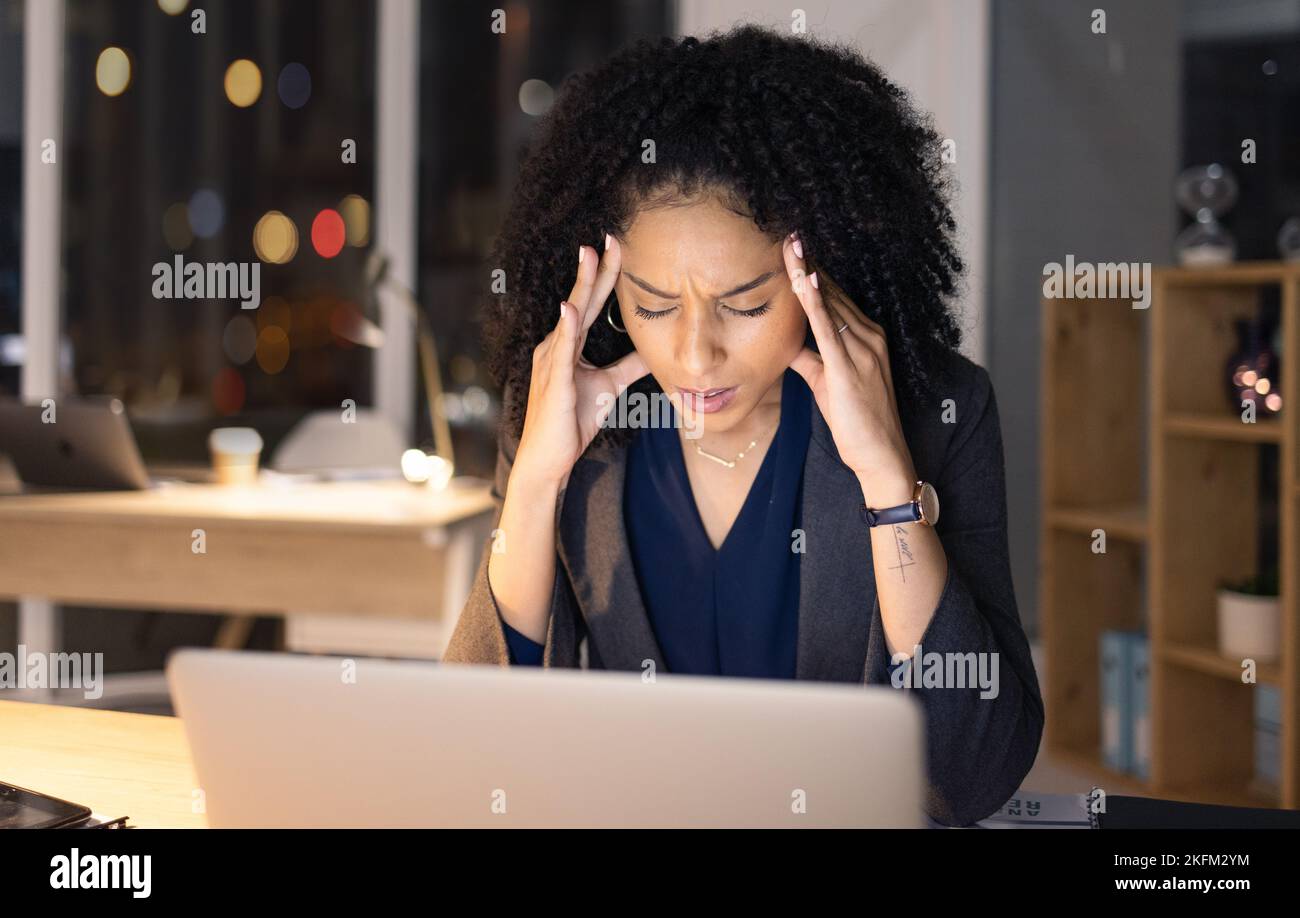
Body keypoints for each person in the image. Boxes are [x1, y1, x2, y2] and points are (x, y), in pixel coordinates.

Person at [443, 25, 1043, 826]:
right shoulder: (562, 414)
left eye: (748, 304)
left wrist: (888, 482)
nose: (696, 355)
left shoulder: (940, 412)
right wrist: (536, 482)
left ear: (820, 274)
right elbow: (472, 750)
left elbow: (971, 778)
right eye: (654, 305)